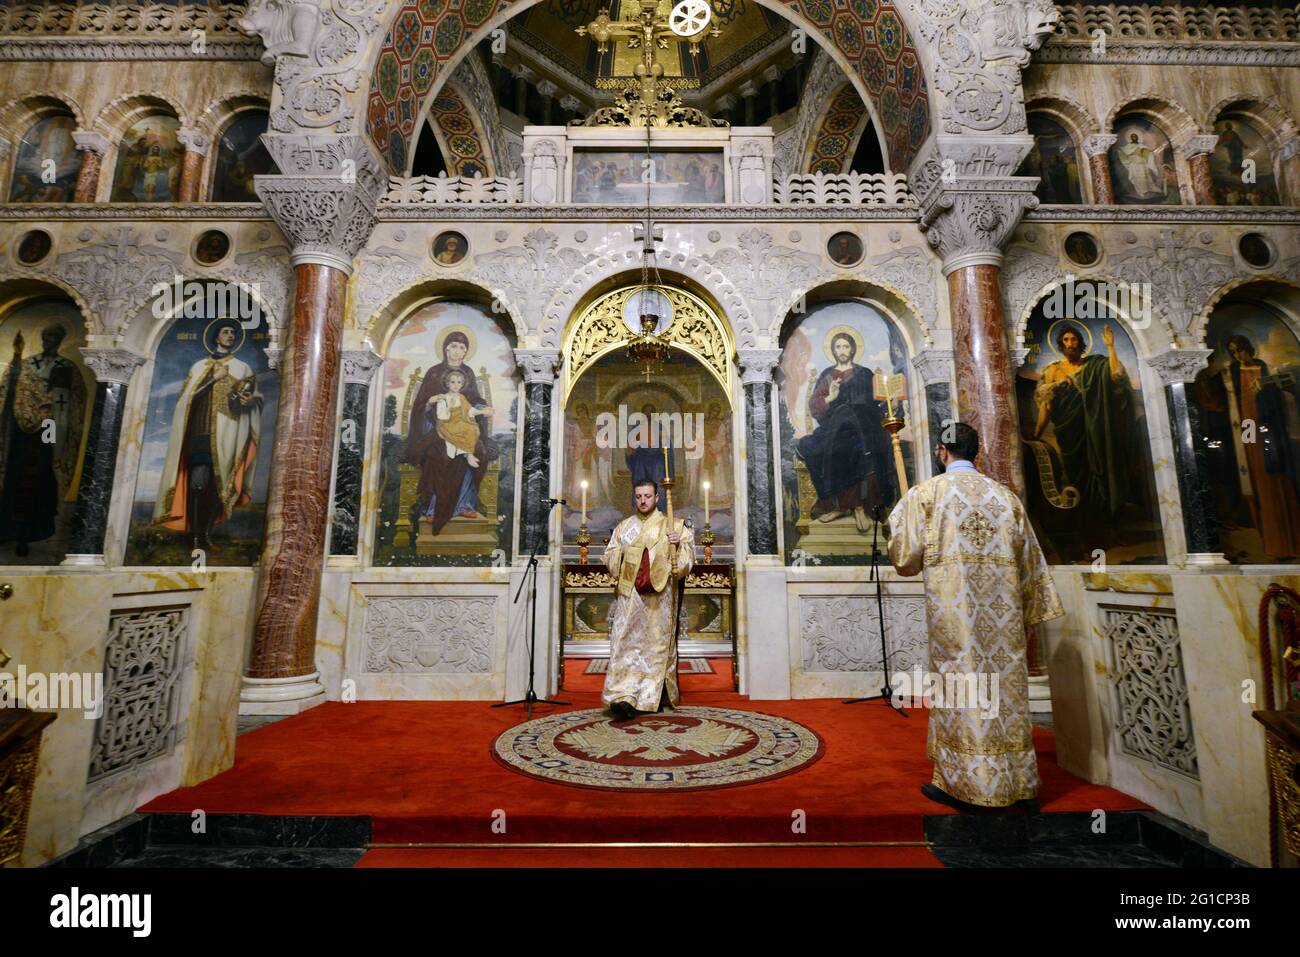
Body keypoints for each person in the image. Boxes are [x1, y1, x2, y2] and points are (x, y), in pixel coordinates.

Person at [888, 422, 1064, 812]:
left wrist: (899, 522)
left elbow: (904, 558)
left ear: (942, 451)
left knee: (963, 689)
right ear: (976, 451)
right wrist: (1029, 613)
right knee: (1005, 691)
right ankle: (1019, 783)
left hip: (957, 622)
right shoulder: (1006, 498)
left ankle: (967, 784)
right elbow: (1032, 563)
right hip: (1004, 622)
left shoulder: (928, 495)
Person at [152, 320, 261, 549]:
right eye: (226, 332)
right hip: (200, 434)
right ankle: (195, 536)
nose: (230, 335)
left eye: (233, 332)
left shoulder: (243, 368)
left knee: (216, 488)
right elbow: (187, 399)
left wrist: (250, 400)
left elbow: (255, 399)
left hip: (228, 436)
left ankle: (206, 535)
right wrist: (215, 378)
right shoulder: (199, 366)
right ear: (216, 336)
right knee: (197, 485)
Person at [1032, 323, 1139, 553]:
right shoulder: (1053, 371)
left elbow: (1116, 376)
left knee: (1105, 478)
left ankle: (1112, 529)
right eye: (1066, 340)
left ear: (1081, 342)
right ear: (1061, 345)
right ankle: (1084, 535)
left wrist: (1110, 347)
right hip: (1071, 436)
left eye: (1074, 339)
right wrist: (1035, 435)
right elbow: (1046, 406)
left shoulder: (1096, 364)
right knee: (1076, 481)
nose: (1071, 344)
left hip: (1099, 433)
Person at [602, 479, 695, 719]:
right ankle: (623, 696)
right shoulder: (625, 527)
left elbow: (684, 563)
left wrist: (678, 545)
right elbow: (609, 556)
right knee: (624, 643)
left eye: (647, 496)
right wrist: (621, 552)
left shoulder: (672, 525)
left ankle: (651, 694)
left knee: (655, 645)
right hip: (630, 598)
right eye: (639, 496)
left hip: (659, 600)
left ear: (657, 498)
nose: (642, 501)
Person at [0, 324, 87, 556]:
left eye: (54, 337)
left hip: (48, 430)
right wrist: (17, 358)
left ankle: (26, 535)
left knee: (38, 479)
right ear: (41, 338)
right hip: (20, 431)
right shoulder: (27, 364)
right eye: (46, 336)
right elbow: (9, 388)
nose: (50, 341)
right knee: (13, 476)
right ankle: (7, 530)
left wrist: (60, 394)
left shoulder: (67, 367)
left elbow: (77, 399)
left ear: (60, 341)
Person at [797, 331, 895, 532]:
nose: (842, 351)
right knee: (810, 445)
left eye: (846, 346)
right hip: (835, 426)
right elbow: (815, 406)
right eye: (838, 347)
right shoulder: (827, 376)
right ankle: (847, 506)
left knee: (859, 443)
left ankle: (859, 506)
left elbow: (881, 405)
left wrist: (890, 402)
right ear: (833, 350)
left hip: (866, 425)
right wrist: (830, 398)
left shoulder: (865, 374)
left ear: (853, 349)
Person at [404, 330, 495, 534]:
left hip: (463, 428)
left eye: (463, 347)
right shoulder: (434, 372)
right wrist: (430, 401)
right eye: (454, 346)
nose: (459, 351)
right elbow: (421, 405)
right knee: (440, 456)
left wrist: (482, 407)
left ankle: (464, 505)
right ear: (446, 348)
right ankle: (433, 507)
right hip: (435, 429)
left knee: (480, 452)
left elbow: (473, 400)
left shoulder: (468, 373)